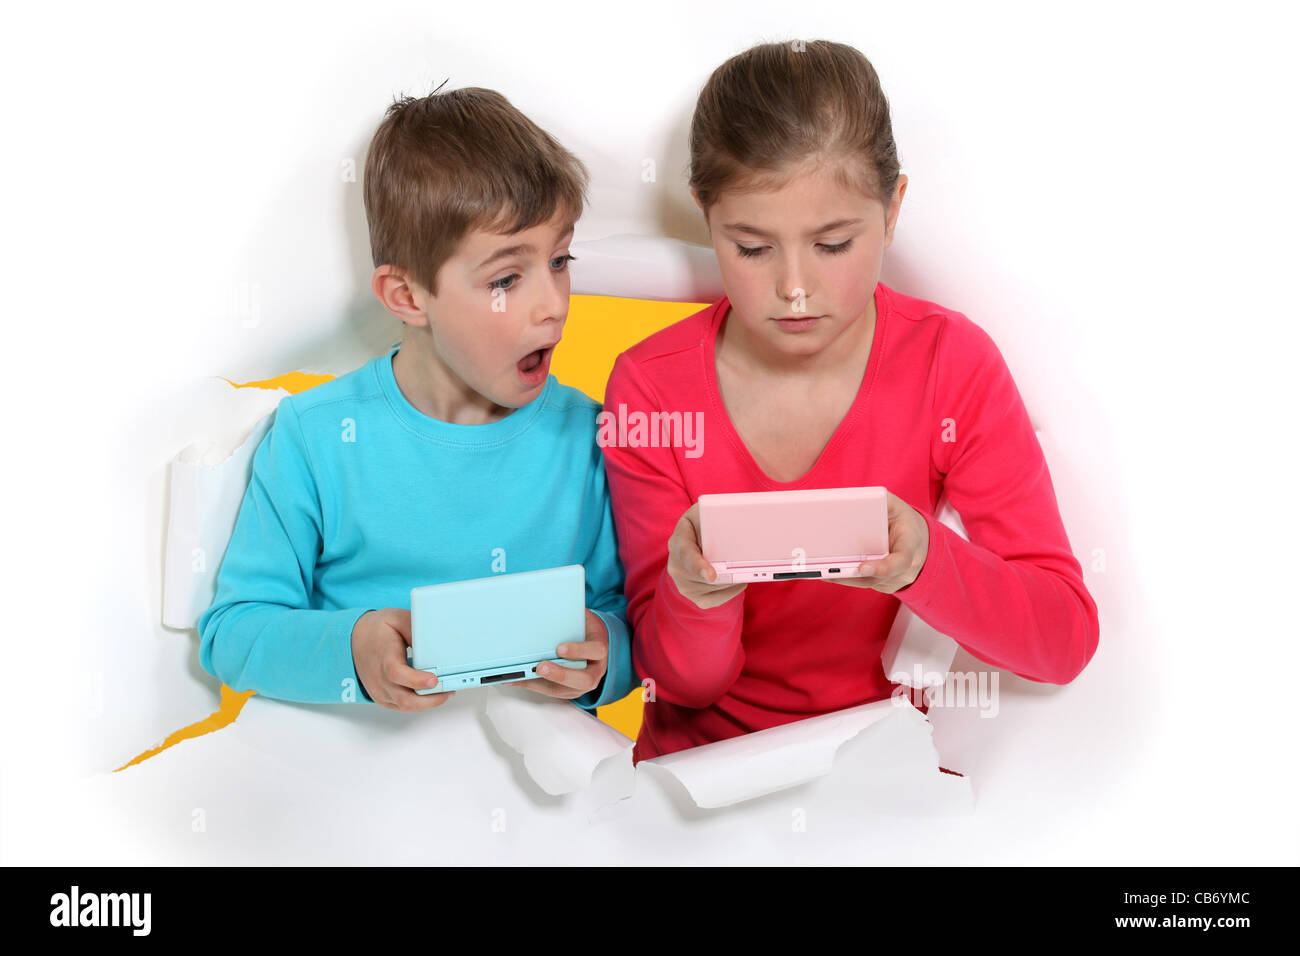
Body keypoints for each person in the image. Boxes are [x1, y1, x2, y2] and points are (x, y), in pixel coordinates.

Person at [600, 40, 1100, 762]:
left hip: (878, 772)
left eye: (833, 244)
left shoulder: (949, 364)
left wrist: (927, 561)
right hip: (694, 776)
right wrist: (693, 595)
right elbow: (683, 684)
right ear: (707, 219)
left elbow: (1063, 642)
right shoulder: (651, 386)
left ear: (892, 211)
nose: (795, 289)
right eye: (752, 247)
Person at [199, 86, 636, 713]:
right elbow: (234, 633)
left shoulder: (589, 438)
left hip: (526, 778)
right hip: (359, 775)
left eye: (560, 260)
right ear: (407, 297)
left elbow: (625, 618)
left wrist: (605, 656)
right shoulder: (316, 436)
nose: (555, 304)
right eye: (506, 279)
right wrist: (353, 648)